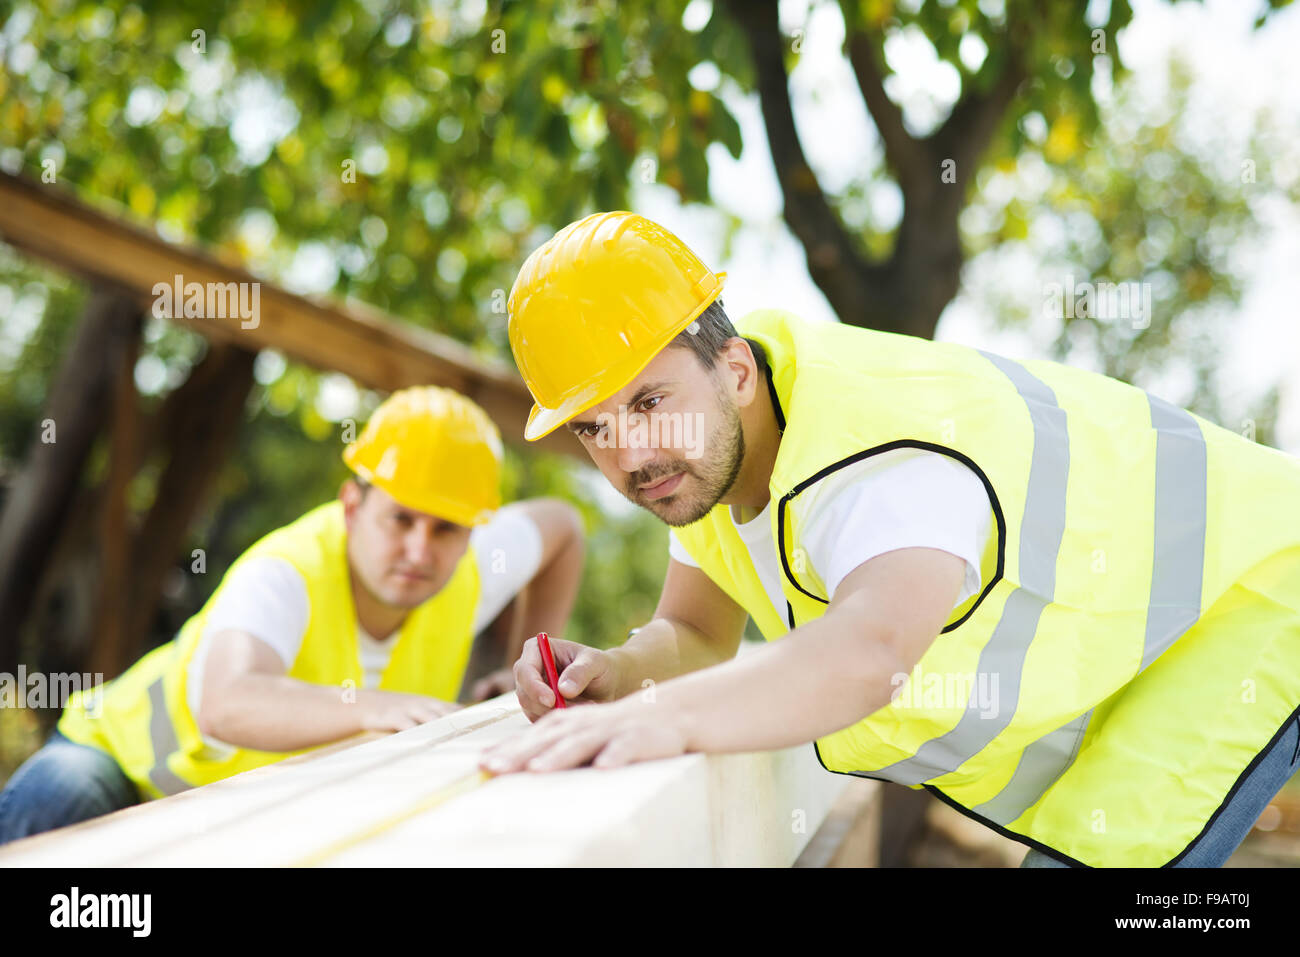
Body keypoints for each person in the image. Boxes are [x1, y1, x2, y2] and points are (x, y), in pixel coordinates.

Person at [480, 210, 1300, 868]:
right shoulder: (712, 458)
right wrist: (618, 674)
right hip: (1140, 670)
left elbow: (873, 652)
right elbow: (695, 632)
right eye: (594, 428)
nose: (630, 454)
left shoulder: (877, 454)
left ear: (731, 367)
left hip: (1252, 605)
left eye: (650, 403)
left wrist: (673, 717)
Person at [0, 385, 583, 845]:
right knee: (62, 797)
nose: (419, 550)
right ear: (353, 505)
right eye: (401, 519)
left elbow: (564, 525)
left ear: (471, 531)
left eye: (445, 529)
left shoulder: (471, 568)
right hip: (119, 764)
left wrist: (526, 662)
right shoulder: (286, 571)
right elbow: (226, 702)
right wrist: (375, 707)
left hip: (233, 815)